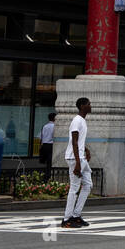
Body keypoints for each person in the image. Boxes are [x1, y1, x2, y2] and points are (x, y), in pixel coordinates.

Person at [61, 97, 92, 230]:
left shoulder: (82, 121)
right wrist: (78, 163)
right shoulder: (76, 121)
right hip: (75, 159)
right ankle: (67, 219)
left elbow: (78, 141)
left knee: (88, 185)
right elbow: (73, 142)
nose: (90, 106)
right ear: (82, 106)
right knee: (74, 189)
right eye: (88, 104)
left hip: (80, 157)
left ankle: (76, 215)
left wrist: (85, 149)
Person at [38, 113, 56, 178]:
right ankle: (48, 177)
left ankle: (45, 176)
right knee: (50, 162)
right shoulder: (55, 126)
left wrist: (40, 146)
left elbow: (41, 137)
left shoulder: (44, 126)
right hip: (50, 145)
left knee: (45, 163)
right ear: (54, 118)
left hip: (44, 145)